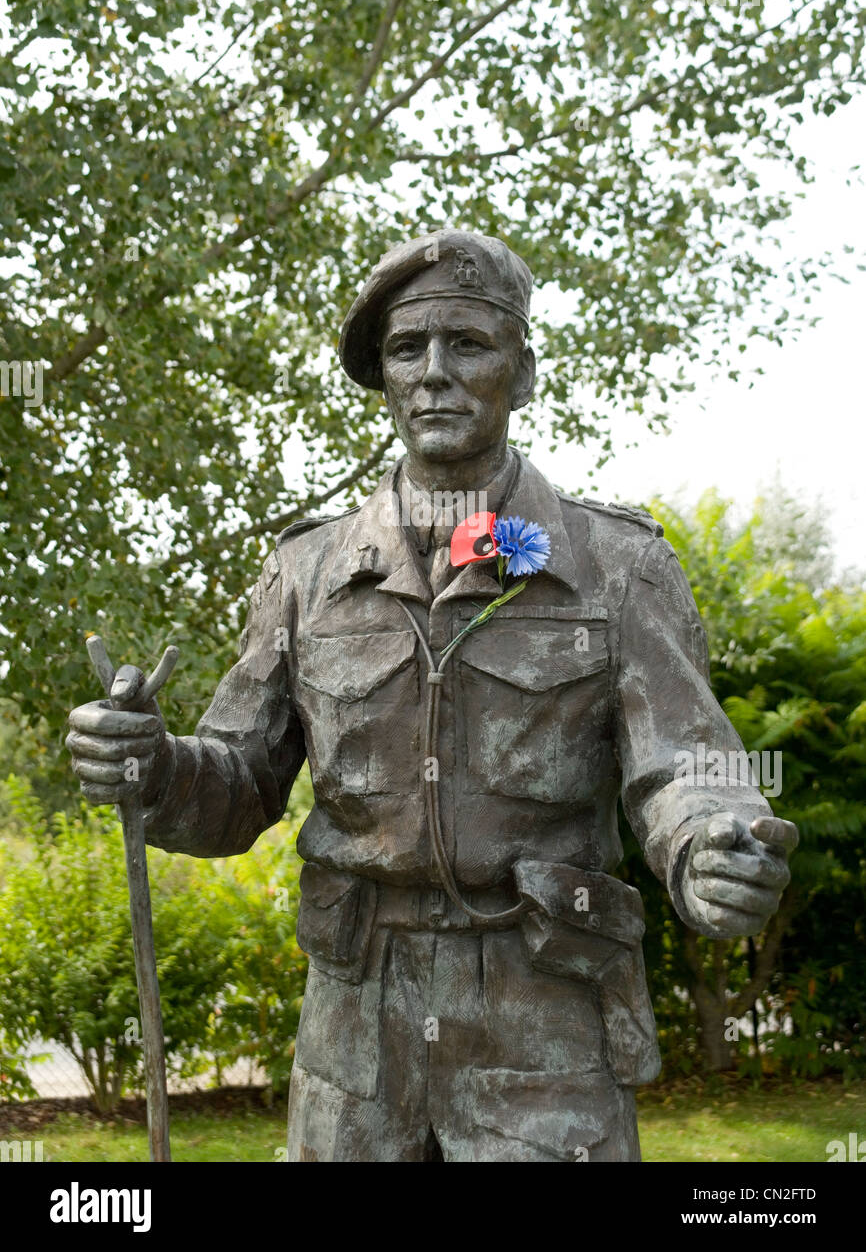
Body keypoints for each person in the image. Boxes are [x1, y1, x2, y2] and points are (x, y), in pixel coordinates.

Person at [67, 228, 797, 1162]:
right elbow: (239, 783)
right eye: (408, 350)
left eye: (470, 345)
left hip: (546, 1019)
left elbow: (685, 765)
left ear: (523, 371)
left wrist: (711, 842)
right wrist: (152, 766)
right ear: (383, 378)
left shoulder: (618, 566)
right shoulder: (308, 570)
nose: (435, 374)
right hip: (356, 1028)